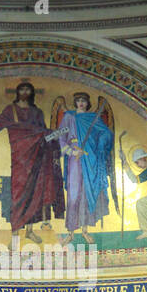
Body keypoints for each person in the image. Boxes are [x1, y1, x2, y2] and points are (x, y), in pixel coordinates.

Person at [0, 82, 65, 242]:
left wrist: (54, 135)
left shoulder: (37, 112)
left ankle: (29, 231)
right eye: (22, 89)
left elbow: (43, 133)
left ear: (32, 92)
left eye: (28, 89)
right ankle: (14, 235)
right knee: (18, 195)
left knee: (35, 193)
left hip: (37, 157)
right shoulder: (10, 110)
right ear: (18, 92)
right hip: (20, 158)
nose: (25, 92)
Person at [49, 92, 114, 243]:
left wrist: (100, 142)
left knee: (86, 194)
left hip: (90, 158)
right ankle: (71, 232)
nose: (81, 103)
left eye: (83, 101)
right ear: (75, 102)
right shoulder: (69, 117)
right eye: (78, 100)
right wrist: (71, 151)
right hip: (74, 159)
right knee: (73, 195)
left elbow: (106, 133)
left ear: (87, 103)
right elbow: (59, 136)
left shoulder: (93, 118)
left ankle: (85, 231)